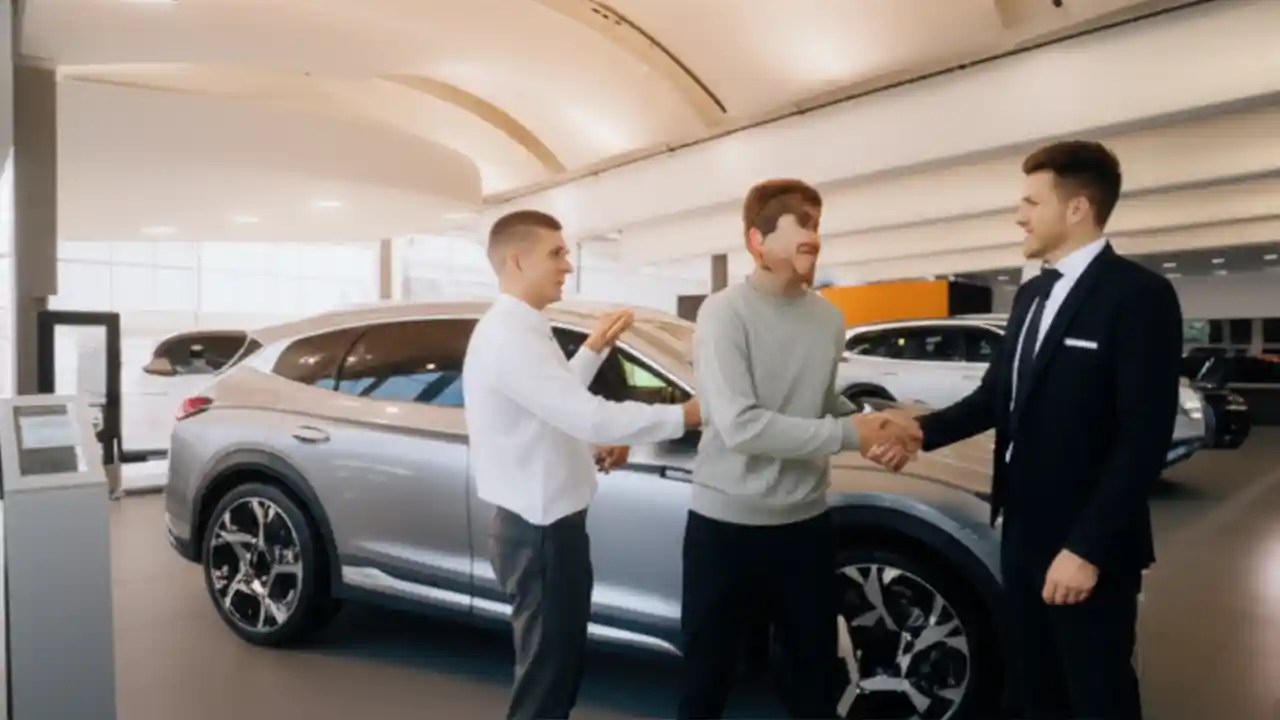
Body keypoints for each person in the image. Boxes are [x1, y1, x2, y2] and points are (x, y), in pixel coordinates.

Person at [869, 141, 1182, 720]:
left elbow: (1144, 439)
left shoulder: (1137, 296)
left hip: (1088, 545)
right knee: (1032, 688)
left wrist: (1085, 549)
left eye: (1030, 201)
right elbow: (996, 398)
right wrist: (919, 433)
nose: (1019, 215)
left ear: (1077, 208)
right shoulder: (1032, 295)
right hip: (1021, 534)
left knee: (1097, 691)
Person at [680, 178, 923, 719]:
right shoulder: (723, 314)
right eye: (800, 223)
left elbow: (815, 398)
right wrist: (851, 437)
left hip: (805, 525)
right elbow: (741, 424)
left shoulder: (828, 319)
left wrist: (871, 421)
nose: (814, 235)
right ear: (756, 240)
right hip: (727, 528)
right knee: (707, 677)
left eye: (817, 224)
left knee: (814, 676)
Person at [462, 209, 703, 720]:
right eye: (557, 253)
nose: (567, 265)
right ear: (516, 259)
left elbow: (551, 404)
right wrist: (688, 414)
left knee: (553, 670)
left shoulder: (524, 327)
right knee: (547, 682)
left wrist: (593, 350)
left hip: (541, 528)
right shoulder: (510, 334)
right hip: (541, 533)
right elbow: (586, 415)